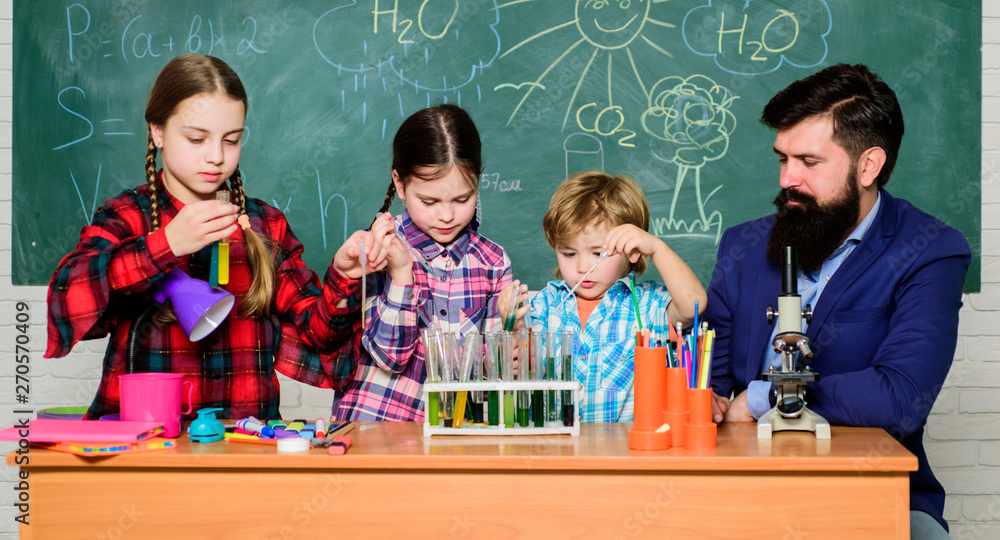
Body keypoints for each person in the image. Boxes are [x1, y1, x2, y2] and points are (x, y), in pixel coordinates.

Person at [705, 63, 970, 538]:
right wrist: (709, 402)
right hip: (744, 485)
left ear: (869, 165)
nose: (788, 179)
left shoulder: (930, 250)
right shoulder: (741, 248)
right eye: (782, 159)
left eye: (808, 162)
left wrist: (764, 397)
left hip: (870, 488)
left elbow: (901, 398)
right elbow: (712, 384)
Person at [46, 53, 386, 420]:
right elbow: (66, 302)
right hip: (147, 451)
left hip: (245, 450)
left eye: (231, 140)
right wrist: (166, 244)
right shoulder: (128, 215)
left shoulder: (265, 225)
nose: (216, 157)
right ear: (157, 131)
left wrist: (344, 277)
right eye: (196, 139)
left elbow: (320, 336)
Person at [332, 104, 524, 421]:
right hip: (376, 428)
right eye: (430, 202)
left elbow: (492, 381)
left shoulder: (493, 262)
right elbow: (389, 357)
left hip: (452, 435)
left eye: (463, 199)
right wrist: (401, 274)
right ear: (400, 184)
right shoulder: (377, 247)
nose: (447, 216)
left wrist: (511, 333)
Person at [529, 172, 706, 423]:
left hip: (627, 455)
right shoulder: (547, 304)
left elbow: (693, 306)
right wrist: (511, 324)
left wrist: (657, 248)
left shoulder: (647, 305)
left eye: (598, 254)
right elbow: (525, 369)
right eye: (569, 253)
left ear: (633, 251)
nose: (582, 267)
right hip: (556, 453)